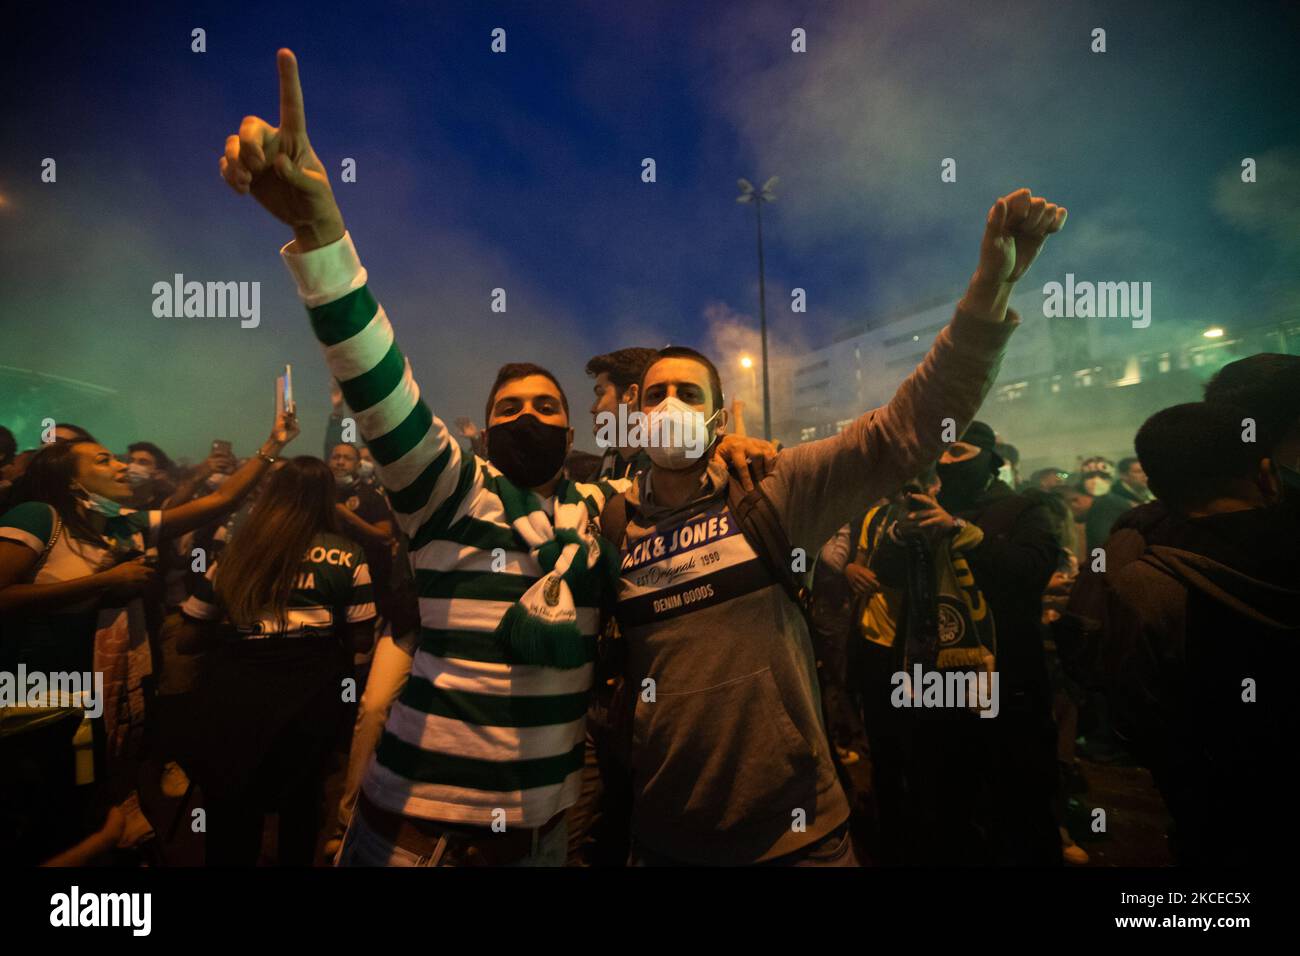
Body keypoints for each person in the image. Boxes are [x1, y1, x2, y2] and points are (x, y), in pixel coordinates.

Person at [217, 50, 769, 866]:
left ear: (572, 425)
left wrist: (727, 443)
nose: (530, 419)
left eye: (548, 408)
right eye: (510, 409)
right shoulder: (445, 492)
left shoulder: (601, 511)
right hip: (413, 842)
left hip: (539, 844)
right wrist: (322, 234)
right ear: (480, 426)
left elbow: (677, 474)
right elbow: (375, 379)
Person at [600, 185, 1067, 866]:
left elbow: (905, 429)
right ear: (635, 421)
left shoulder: (777, 492)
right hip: (665, 840)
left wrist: (988, 293)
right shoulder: (607, 523)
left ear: (720, 420)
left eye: (689, 392)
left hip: (803, 836)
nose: (669, 404)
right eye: (654, 395)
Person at [0, 411, 299, 799]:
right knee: (38, 793)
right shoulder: (40, 516)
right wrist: (105, 581)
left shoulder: (127, 525)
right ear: (72, 482)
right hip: (39, 690)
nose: (123, 467)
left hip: (102, 690)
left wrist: (275, 443)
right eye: (104, 461)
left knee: (91, 787)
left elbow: (224, 498)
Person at [1103, 402, 1300, 865]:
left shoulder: (1144, 584)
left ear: (1153, 488)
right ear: (1268, 474)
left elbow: (1138, 716)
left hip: (1220, 813)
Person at [176, 456, 375, 865]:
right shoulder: (348, 555)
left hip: (235, 693)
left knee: (231, 806)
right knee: (300, 806)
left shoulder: (236, 550)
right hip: (312, 695)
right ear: (327, 499)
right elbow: (360, 637)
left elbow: (189, 636)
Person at [586, 347, 658, 481]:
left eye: (600, 394)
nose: (593, 408)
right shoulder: (603, 470)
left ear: (630, 396)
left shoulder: (667, 476)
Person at [1085, 456, 1151, 552]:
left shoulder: (1144, 497)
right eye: (1138, 471)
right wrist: (1100, 566)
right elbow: (1101, 542)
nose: (1145, 475)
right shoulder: (1108, 502)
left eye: (1146, 470)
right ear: (1123, 475)